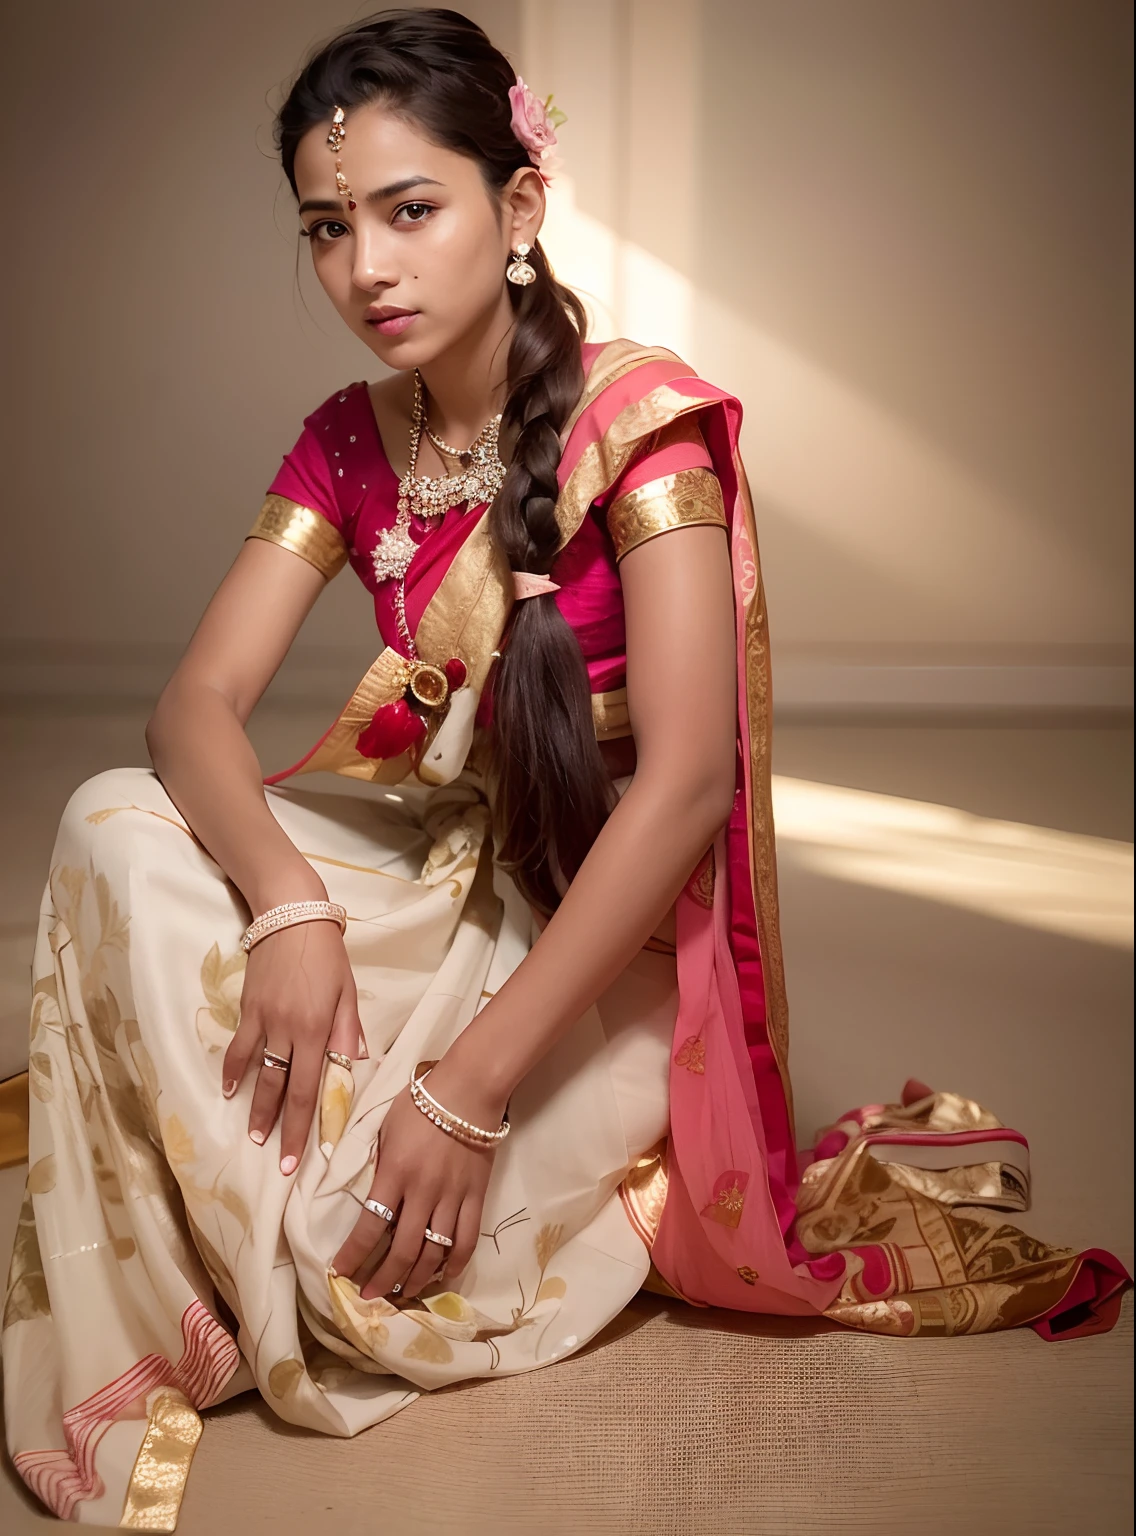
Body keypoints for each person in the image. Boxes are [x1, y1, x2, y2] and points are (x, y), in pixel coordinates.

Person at [4, 8, 1129, 1528]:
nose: (367, 267)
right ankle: (243, 1220)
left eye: (410, 210)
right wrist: (287, 902)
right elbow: (194, 706)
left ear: (519, 203)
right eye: (328, 228)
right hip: (443, 868)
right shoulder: (352, 440)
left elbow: (687, 787)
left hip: (604, 937)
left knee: (362, 1274)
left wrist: (469, 1093)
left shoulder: (643, 429)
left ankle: (318, 1202)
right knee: (115, 824)